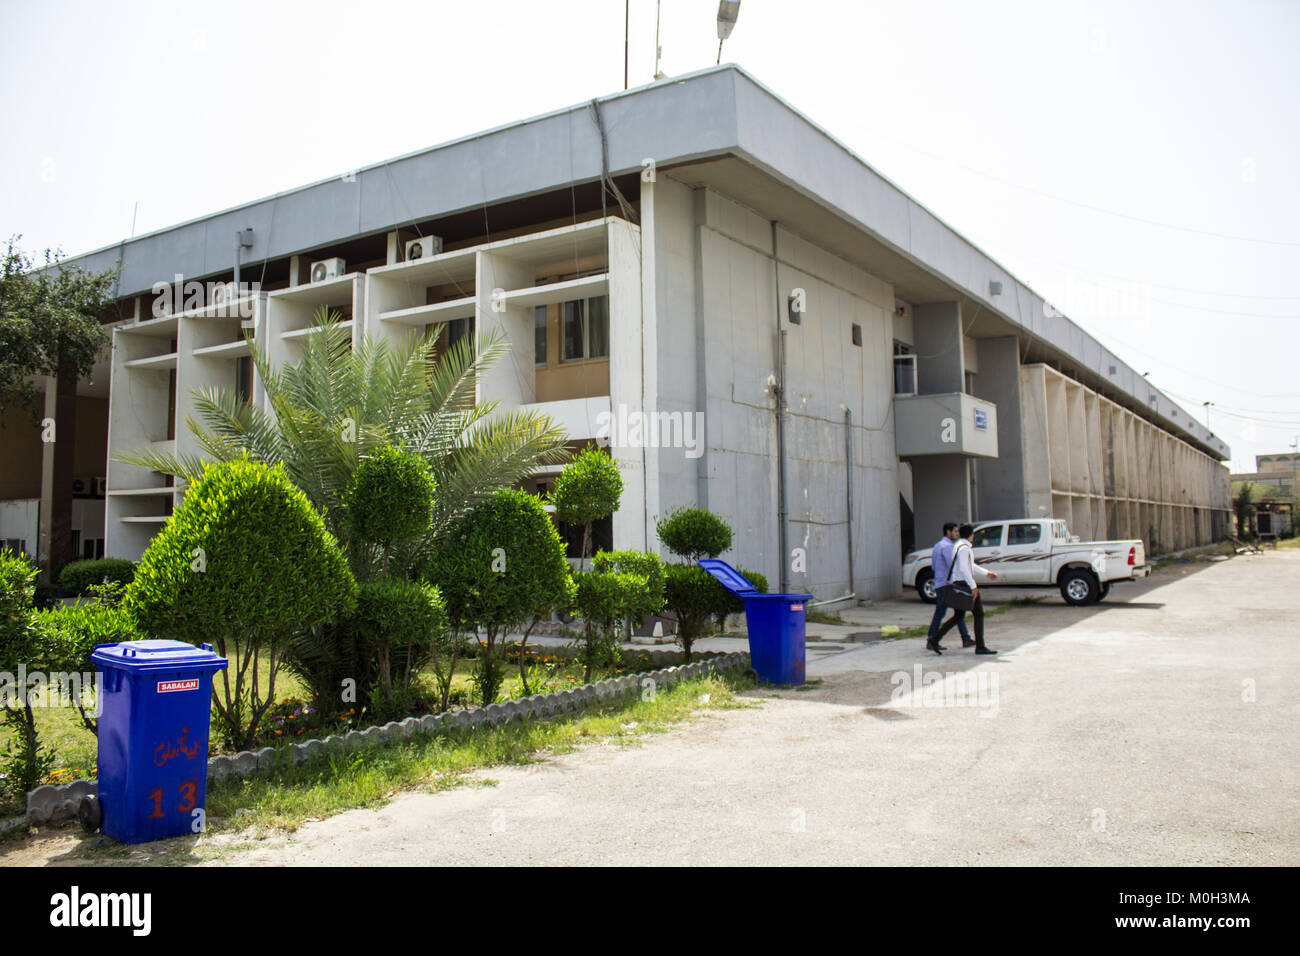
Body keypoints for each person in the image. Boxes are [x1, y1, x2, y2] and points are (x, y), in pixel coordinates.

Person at [929, 523, 999, 655]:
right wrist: (973, 586)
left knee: (958, 616)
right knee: (978, 614)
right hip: (964, 585)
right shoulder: (964, 548)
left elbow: (969, 565)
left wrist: (986, 573)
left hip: (959, 584)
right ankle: (980, 646)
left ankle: (935, 639)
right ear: (971, 535)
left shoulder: (959, 546)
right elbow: (964, 568)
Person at [925, 523, 972, 653]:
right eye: (955, 531)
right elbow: (952, 564)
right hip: (947, 585)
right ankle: (932, 639)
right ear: (948, 531)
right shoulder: (947, 547)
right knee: (943, 612)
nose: (957, 534)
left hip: (940, 583)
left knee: (958, 611)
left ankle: (966, 638)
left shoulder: (937, 545)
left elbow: (934, 566)